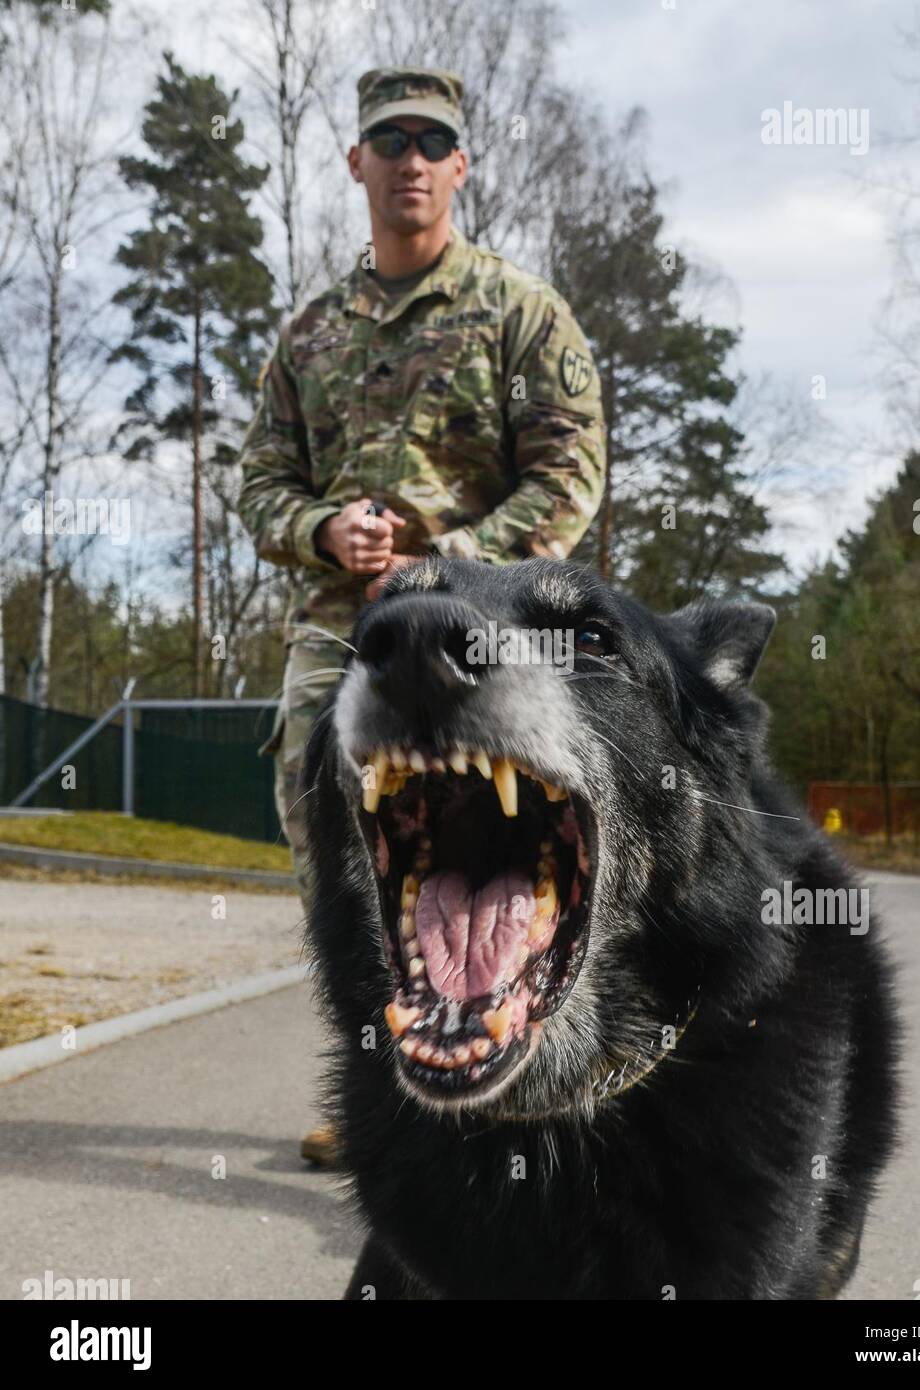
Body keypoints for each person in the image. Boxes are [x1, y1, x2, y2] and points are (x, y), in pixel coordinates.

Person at [236, 66, 606, 1165]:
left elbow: (570, 475)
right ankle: (383, 1094)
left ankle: (504, 1062)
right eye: (387, 140)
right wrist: (319, 533)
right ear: (355, 161)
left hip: (485, 635)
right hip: (338, 639)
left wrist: (456, 563)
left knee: (499, 851)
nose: (407, 160)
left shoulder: (522, 313)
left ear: (457, 167)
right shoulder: (307, 335)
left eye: (429, 142)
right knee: (337, 859)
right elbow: (259, 481)